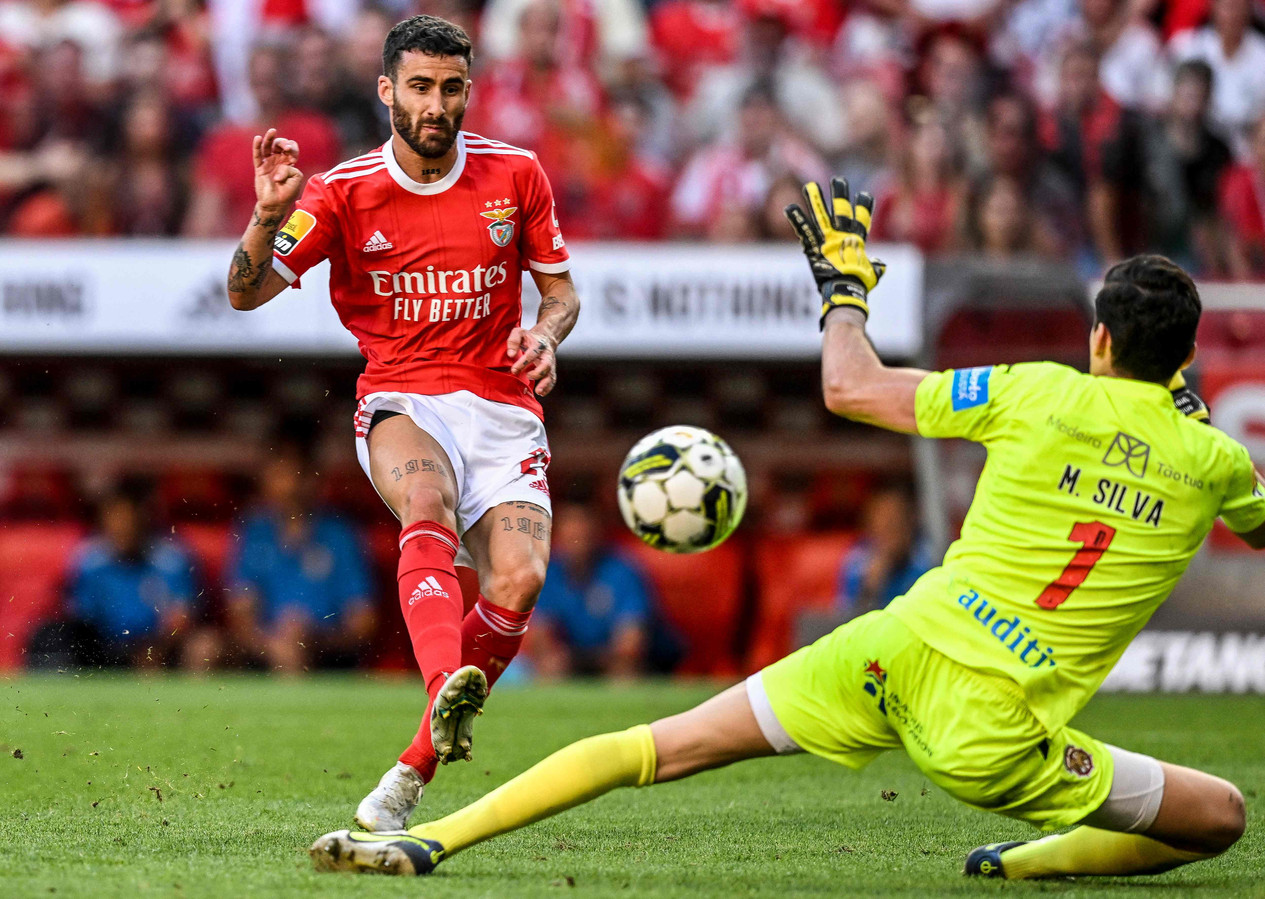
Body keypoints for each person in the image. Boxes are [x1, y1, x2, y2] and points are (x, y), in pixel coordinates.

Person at [310, 180, 1261, 880]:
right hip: (996, 734)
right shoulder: (1217, 463)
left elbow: (848, 386)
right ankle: (1020, 862)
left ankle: (429, 837)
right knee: (1218, 815)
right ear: (1185, 359)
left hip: (892, 649)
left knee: (658, 744)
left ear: (1097, 340)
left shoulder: (1035, 391)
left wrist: (844, 291)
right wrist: (1195, 443)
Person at [223, 15, 579, 834]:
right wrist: (267, 215)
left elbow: (560, 294)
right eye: (419, 86)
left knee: (518, 580)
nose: (436, 104)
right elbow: (244, 292)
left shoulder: (516, 175)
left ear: (468, 90)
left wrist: (545, 335)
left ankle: (413, 766)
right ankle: (442, 681)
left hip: (503, 405)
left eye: (451, 88)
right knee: (428, 505)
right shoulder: (342, 193)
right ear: (387, 90)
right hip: (403, 398)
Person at [224, 444, 377, 674]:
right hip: (263, 652)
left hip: (328, 657)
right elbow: (240, 613)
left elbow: (364, 621)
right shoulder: (254, 532)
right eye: (281, 474)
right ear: (266, 479)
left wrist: (315, 638)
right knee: (204, 648)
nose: (290, 486)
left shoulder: (340, 535)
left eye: (298, 475)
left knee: (294, 646)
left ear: (315, 480)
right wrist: (270, 643)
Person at [38, 481, 204, 670]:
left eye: (128, 518)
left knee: (203, 646)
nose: (123, 526)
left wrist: (155, 650)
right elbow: (80, 617)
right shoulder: (88, 560)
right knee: (52, 636)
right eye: (116, 519)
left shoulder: (171, 560)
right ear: (104, 522)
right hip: (105, 649)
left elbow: (181, 619)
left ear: (143, 519)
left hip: (159, 650)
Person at [529, 500, 652, 678]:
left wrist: (592, 660)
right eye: (570, 537)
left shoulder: (623, 571)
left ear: (596, 535)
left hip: (613, 661)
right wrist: (560, 656)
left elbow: (631, 644)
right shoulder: (548, 573)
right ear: (557, 537)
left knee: (625, 672)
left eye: (583, 536)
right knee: (549, 666)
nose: (577, 544)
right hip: (569, 660)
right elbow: (540, 638)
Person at [835, 482, 933, 616]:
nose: (888, 534)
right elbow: (845, 618)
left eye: (894, 524)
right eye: (881, 526)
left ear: (910, 522)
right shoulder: (857, 563)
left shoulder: (928, 560)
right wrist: (869, 589)